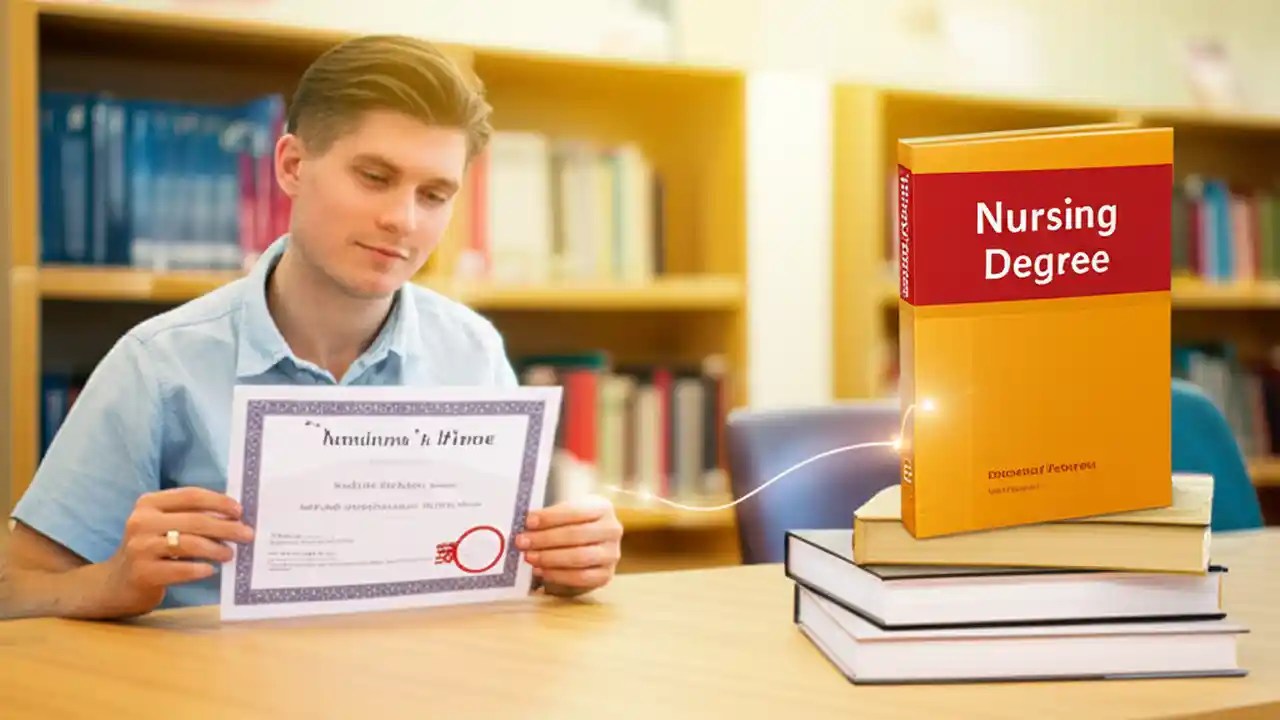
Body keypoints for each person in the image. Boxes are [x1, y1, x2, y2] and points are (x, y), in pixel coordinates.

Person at [0, 34, 623, 620]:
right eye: (374, 178)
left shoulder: (472, 351)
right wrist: (116, 582)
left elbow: (514, 561)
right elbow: (16, 590)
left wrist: (565, 564)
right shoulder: (159, 365)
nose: (402, 220)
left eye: (434, 195)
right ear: (293, 165)